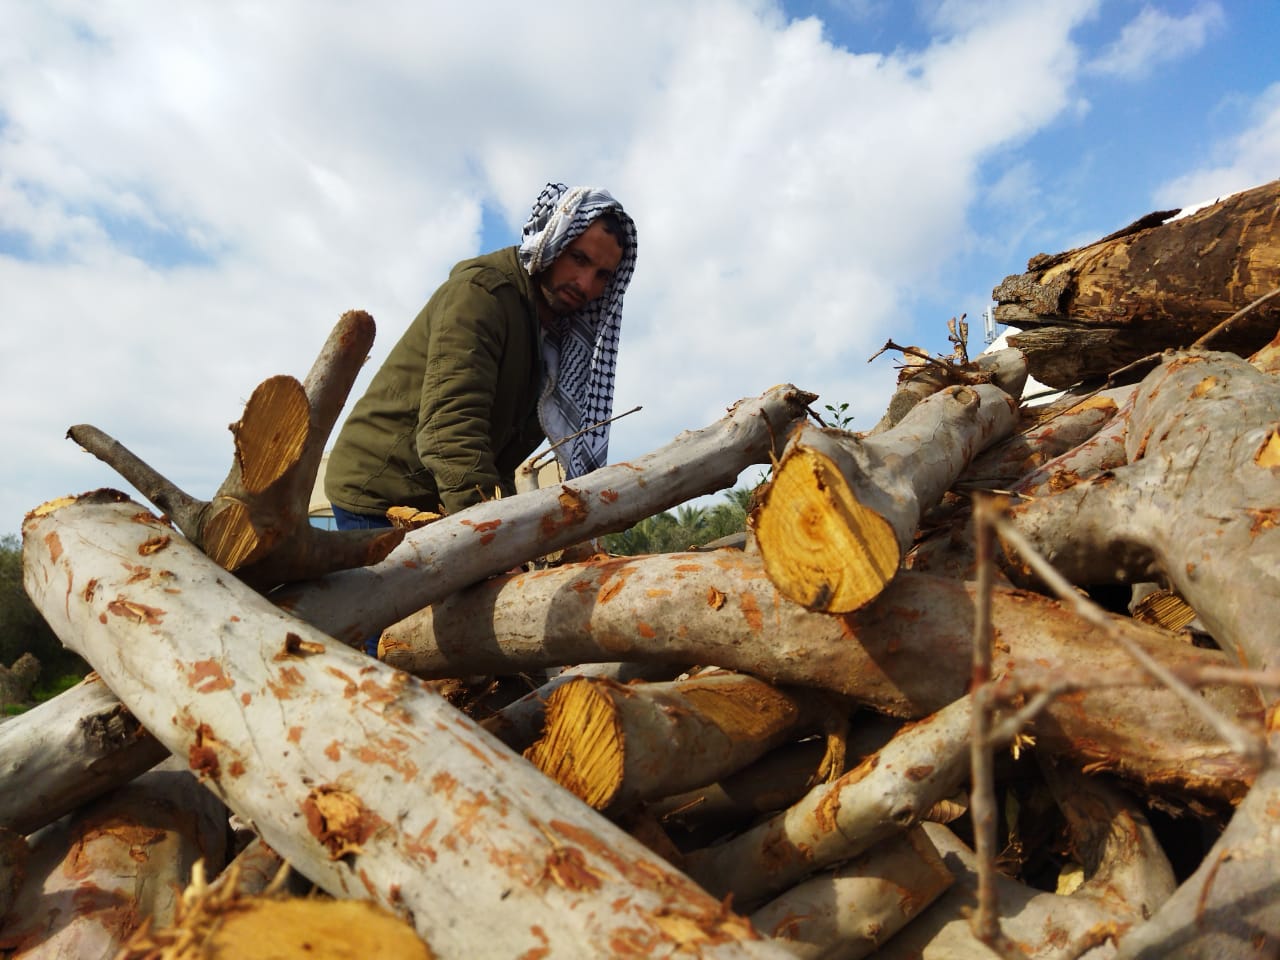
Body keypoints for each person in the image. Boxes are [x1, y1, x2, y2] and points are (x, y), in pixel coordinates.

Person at [325, 181, 638, 529]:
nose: (585, 284)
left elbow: (494, 449)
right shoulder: (482, 295)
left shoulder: (551, 333)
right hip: (382, 493)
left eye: (602, 276)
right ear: (553, 241)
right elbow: (451, 429)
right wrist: (492, 541)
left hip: (439, 495)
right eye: (578, 258)